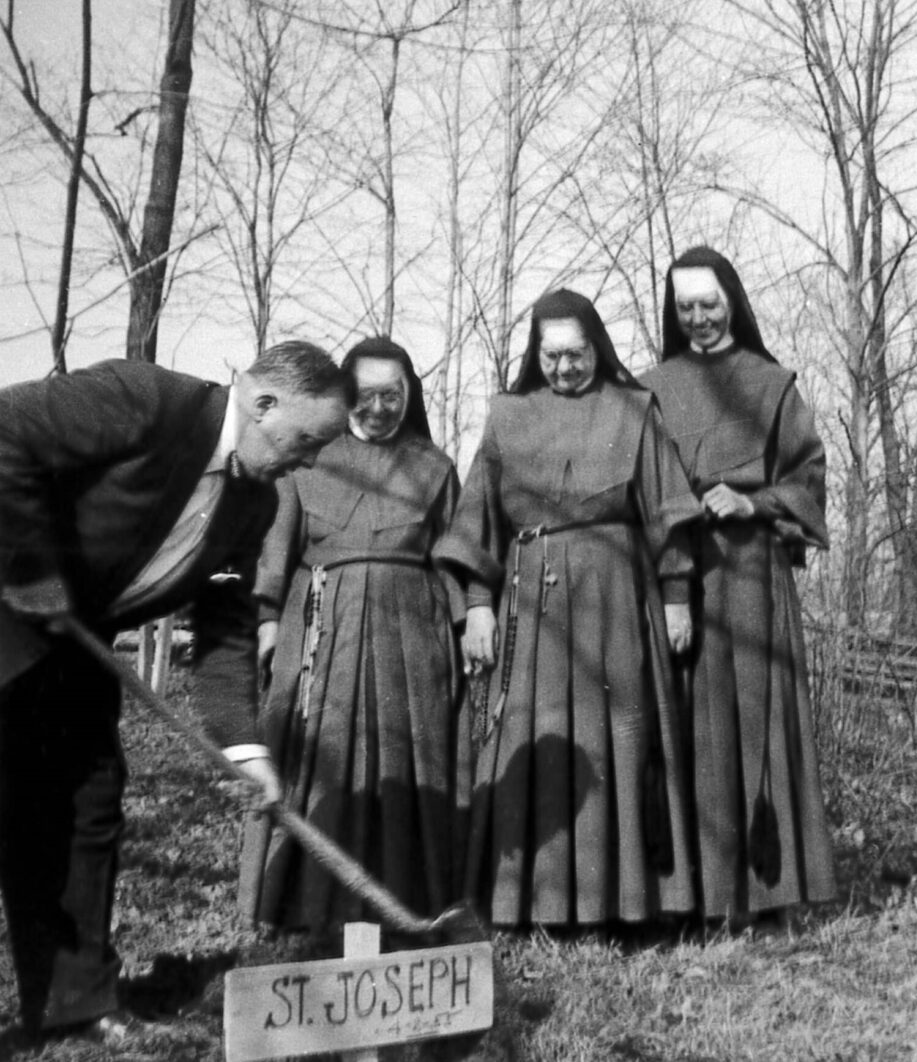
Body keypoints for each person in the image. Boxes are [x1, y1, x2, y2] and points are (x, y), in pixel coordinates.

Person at [0, 342, 352, 1045]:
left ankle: (74, 1003)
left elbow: (223, 626)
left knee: (88, 806)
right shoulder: (147, 399)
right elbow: (6, 431)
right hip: (11, 606)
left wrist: (246, 747)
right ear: (264, 402)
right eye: (308, 440)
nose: (308, 460)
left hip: (79, 638)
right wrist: (35, 566)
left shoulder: (255, 505)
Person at [434, 289, 703, 929]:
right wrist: (478, 606)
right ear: (536, 354)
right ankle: (527, 902)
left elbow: (667, 510)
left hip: (615, 596)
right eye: (551, 356)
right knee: (533, 735)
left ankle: (626, 902)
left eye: (576, 355)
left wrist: (674, 597)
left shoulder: (634, 410)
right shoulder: (508, 415)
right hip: (531, 602)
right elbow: (479, 519)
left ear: (597, 349)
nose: (563, 369)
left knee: (622, 740)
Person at [239, 337, 471, 932]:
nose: (377, 408)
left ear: (408, 395)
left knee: (408, 758)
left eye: (391, 396)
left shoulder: (434, 467)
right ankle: (299, 905)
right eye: (364, 396)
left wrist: (467, 624)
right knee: (321, 759)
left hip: (411, 635)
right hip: (321, 627)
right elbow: (277, 544)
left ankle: (407, 902)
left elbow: (454, 558)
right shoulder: (310, 454)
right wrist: (268, 622)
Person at [639, 246, 837, 924]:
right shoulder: (651, 388)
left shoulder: (772, 383)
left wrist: (754, 504)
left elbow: (809, 478)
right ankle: (692, 893)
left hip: (751, 574)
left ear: (733, 301)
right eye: (685, 307)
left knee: (756, 718)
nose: (698, 319)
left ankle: (766, 890)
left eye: (710, 305)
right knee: (685, 721)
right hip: (678, 573)